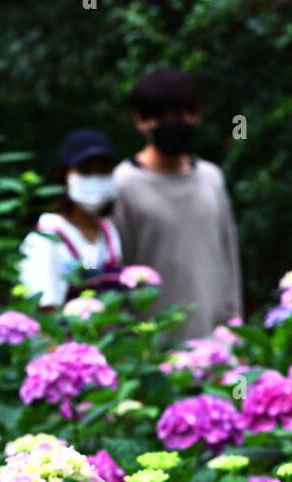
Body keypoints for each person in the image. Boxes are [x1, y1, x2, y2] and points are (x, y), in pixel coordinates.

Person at [113, 68, 243, 340]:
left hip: (214, 348)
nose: (174, 123)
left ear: (196, 114)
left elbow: (229, 261)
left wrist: (235, 328)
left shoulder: (211, 179)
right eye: (160, 116)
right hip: (151, 348)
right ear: (139, 120)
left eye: (183, 114)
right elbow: (114, 270)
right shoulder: (122, 185)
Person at [18, 128, 124, 308]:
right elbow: (45, 317)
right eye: (86, 171)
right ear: (64, 175)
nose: (95, 179)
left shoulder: (107, 232)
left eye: (103, 171)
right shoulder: (48, 238)